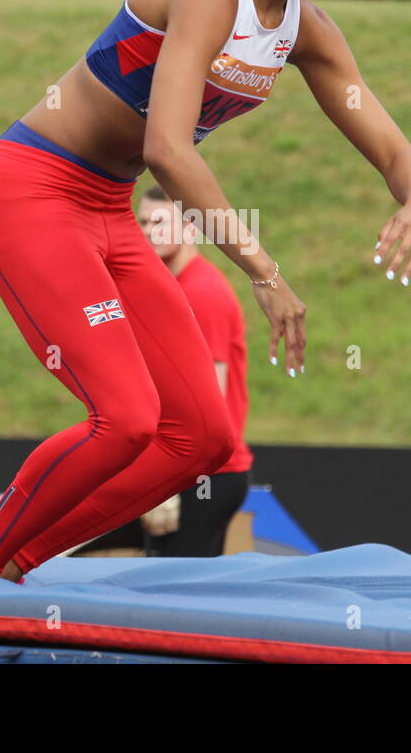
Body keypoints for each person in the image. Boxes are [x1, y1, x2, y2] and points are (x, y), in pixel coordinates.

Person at [0, 0, 411, 582]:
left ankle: (9, 562)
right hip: (34, 192)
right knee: (126, 419)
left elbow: (396, 151)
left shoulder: (305, 28)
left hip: (109, 209)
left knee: (201, 437)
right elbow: (169, 150)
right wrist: (264, 271)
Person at [135, 186, 252, 556]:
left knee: (171, 584)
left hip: (204, 474)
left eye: (160, 222)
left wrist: (167, 483)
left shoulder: (201, 293)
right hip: (190, 467)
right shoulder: (170, 287)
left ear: (191, 227)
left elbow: (208, 405)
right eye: (143, 222)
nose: (149, 231)